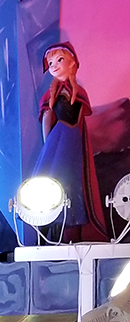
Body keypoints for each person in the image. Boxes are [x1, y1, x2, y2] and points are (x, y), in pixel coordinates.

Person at [35, 43, 106, 242]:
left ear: (72, 62)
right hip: (58, 140)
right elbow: (47, 118)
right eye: (51, 63)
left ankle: (71, 234)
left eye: (59, 60)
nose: (54, 65)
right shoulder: (51, 94)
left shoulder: (79, 92)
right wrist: (48, 145)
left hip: (74, 141)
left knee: (73, 185)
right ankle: (47, 234)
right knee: (53, 180)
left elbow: (80, 120)